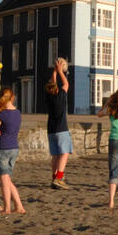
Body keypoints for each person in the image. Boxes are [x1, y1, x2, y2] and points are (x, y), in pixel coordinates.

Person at [0, 88, 25, 215]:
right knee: (7, 179)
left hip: (3, 147)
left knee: (4, 179)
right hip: (14, 148)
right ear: (12, 97)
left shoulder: (1, 114)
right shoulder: (18, 112)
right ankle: (19, 206)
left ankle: (7, 208)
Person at [45, 58, 72, 188]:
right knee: (65, 153)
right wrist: (60, 71)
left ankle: (54, 177)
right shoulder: (61, 94)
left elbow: (53, 84)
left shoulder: (48, 95)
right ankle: (59, 177)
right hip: (61, 128)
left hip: (51, 129)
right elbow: (66, 84)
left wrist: (55, 72)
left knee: (55, 155)